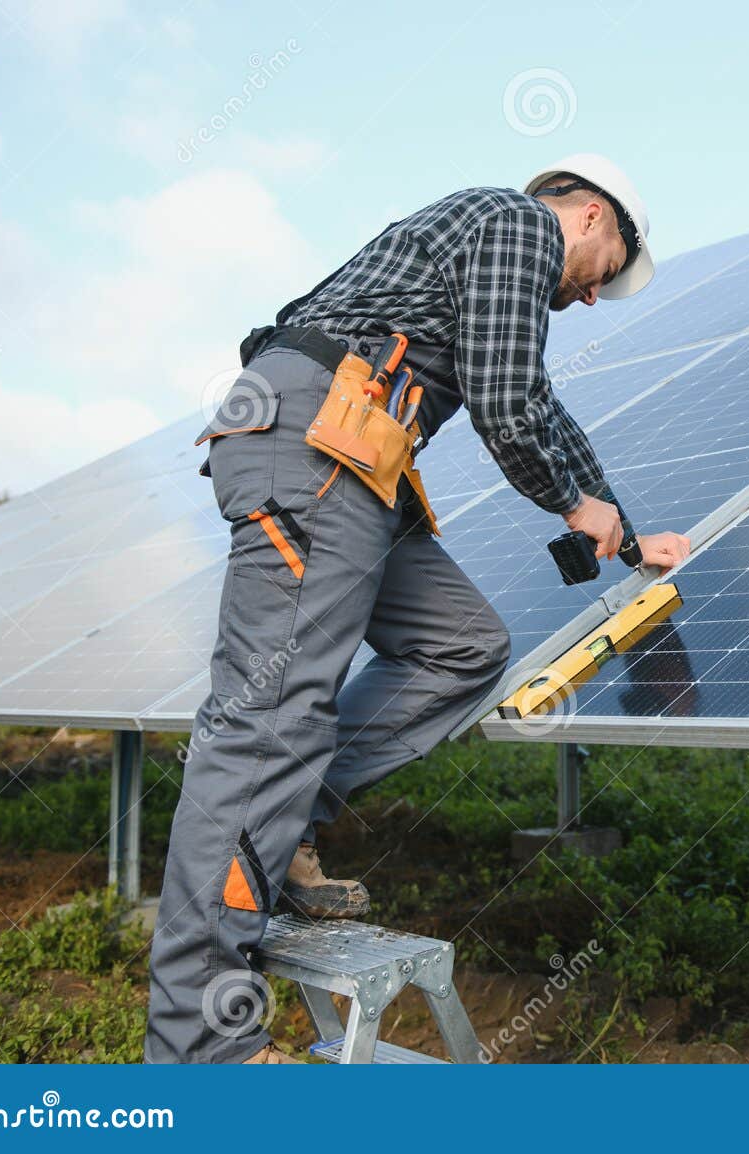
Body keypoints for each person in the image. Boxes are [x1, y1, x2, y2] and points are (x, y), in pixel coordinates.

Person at [145, 153, 691, 1064]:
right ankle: (200, 1052)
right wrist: (570, 505)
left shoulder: (477, 245)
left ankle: (289, 828)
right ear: (590, 216)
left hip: (353, 460)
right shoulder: (516, 224)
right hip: (318, 445)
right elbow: (507, 405)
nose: (595, 298)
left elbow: (542, 408)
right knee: (266, 724)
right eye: (609, 275)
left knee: (463, 645)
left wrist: (628, 536)